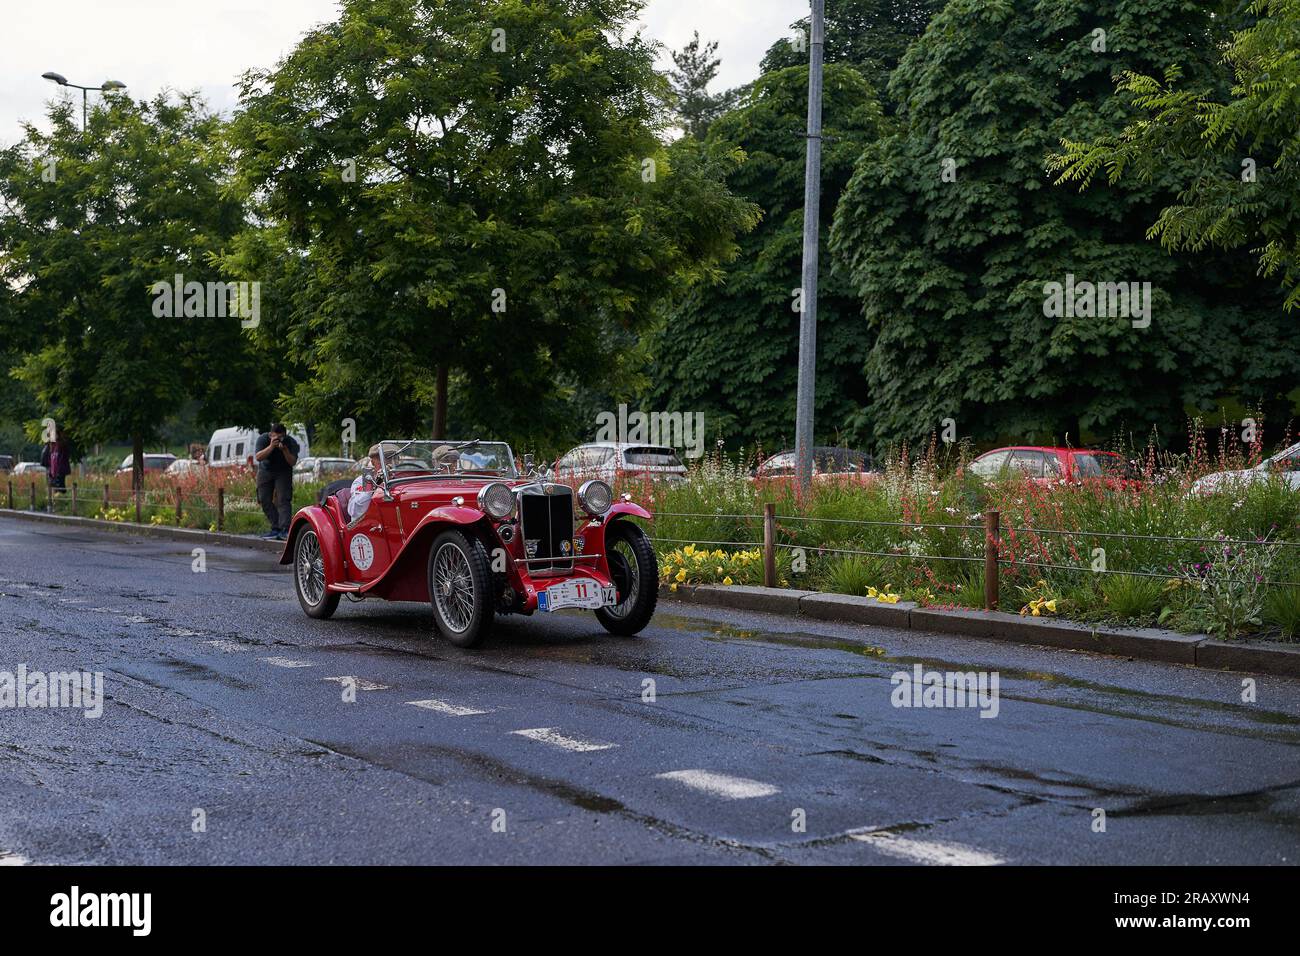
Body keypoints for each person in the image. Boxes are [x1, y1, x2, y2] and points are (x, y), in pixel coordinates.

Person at [253, 423, 299, 540]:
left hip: (283, 471)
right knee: (264, 499)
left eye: (281, 437)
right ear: (271, 434)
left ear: (285, 435)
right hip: (265, 470)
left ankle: (285, 529)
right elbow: (258, 457)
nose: (278, 439)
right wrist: (271, 446)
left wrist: (285, 450)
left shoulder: (290, 442)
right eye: (275, 437)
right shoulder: (263, 439)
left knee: (283, 499)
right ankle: (276, 527)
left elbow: (292, 462)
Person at [348, 445, 383, 523]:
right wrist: (371, 485)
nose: (388, 464)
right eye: (382, 460)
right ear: (373, 462)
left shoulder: (399, 479)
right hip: (367, 525)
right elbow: (355, 511)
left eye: (391, 459)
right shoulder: (361, 481)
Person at [40, 428, 72, 492]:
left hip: (60, 471)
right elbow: (47, 459)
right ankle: (55, 500)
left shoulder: (62, 444)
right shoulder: (50, 446)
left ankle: (62, 499)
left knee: (61, 488)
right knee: (53, 490)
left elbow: (65, 456)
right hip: (52, 471)